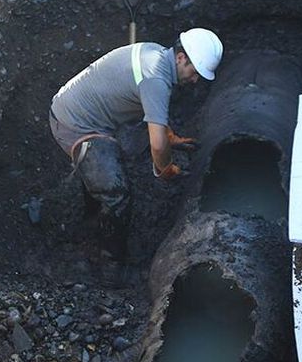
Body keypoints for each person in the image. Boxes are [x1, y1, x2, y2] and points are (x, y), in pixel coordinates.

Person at [49, 28, 223, 284]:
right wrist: (165, 169)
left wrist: (168, 136)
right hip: (75, 125)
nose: (195, 80)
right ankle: (111, 269)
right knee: (117, 195)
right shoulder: (156, 79)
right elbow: (156, 144)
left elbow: (151, 110)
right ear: (181, 58)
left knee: (111, 167)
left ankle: (90, 212)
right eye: (194, 72)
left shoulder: (154, 52)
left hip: (78, 110)